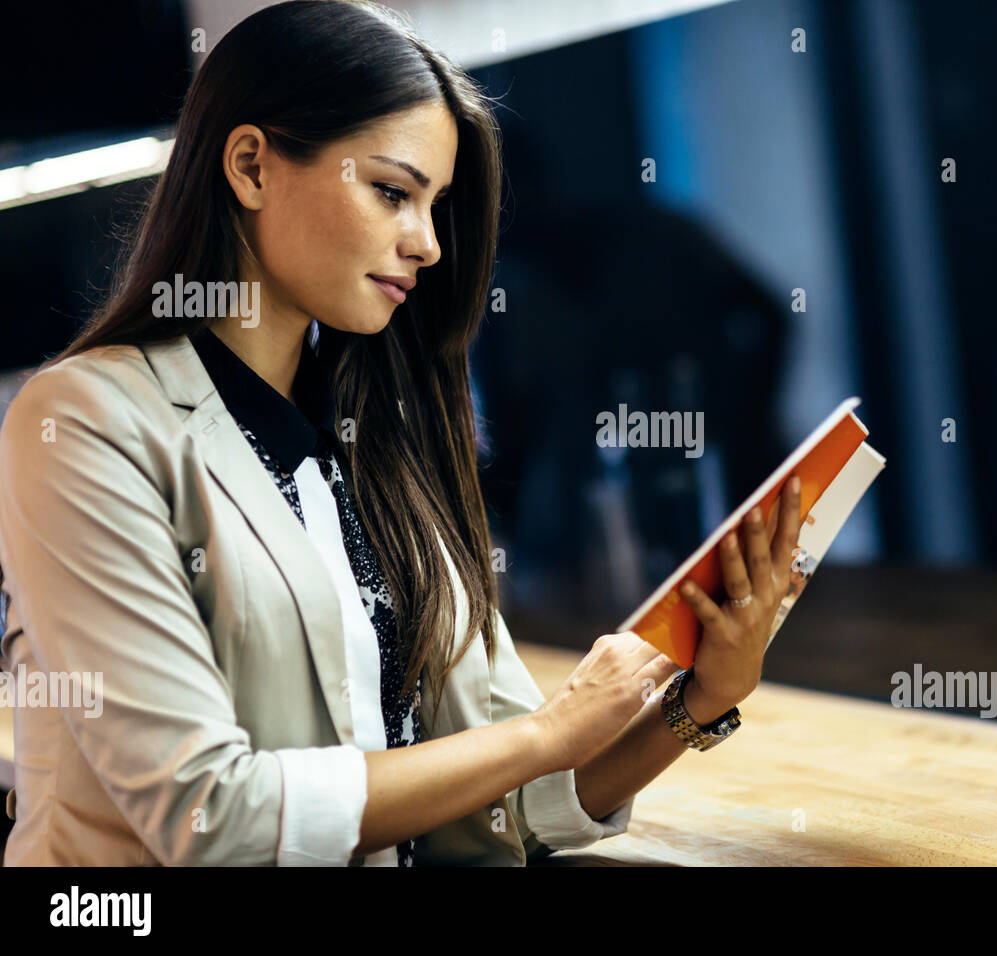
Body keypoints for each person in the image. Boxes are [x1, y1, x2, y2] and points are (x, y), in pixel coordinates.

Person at [0, 0, 800, 866]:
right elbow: (208, 814)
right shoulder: (84, 421)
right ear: (250, 167)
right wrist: (548, 732)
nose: (425, 243)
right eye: (392, 192)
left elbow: (504, 805)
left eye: (435, 205)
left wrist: (694, 702)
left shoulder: (382, 436)